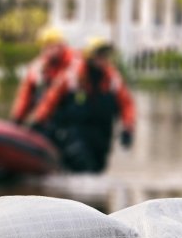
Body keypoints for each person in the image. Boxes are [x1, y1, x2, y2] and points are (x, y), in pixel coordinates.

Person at [25, 38, 135, 173]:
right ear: (89, 57)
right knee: (81, 165)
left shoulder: (113, 79)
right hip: (75, 132)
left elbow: (127, 104)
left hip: (102, 135)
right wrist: (38, 121)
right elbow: (50, 100)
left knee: (97, 170)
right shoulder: (72, 77)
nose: (103, 59)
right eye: (99, 55)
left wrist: (128, 128)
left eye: (105, 55)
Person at [11, 26, 80, 125]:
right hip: (48, 117)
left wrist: (38, 118)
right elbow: (25, 93)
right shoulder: (39, 65)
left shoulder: (74, 62)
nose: (49, 50)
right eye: (46, 46)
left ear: (62, 45)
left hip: (69, 115)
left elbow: (57, 90)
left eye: (52, 46)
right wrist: (17, 119)